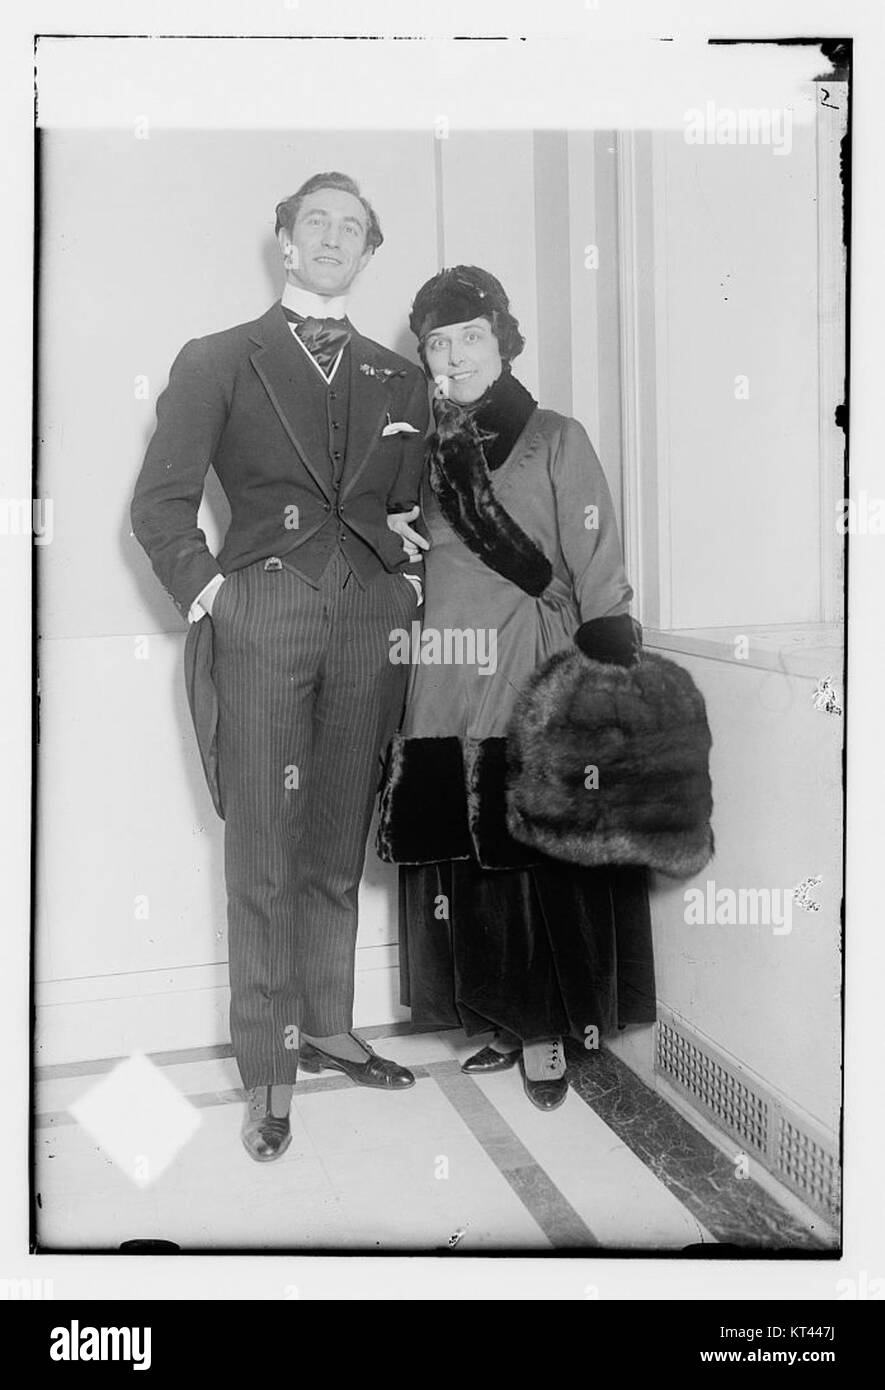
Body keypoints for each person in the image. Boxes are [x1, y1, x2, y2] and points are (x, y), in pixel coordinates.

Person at [131, 172, 430, 1161]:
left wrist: (404, 585)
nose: (336, 237)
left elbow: (414, 510)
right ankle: (267, 1061)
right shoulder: (220, 358)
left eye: (355, 227)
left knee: (338, 833)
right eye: (319, 222)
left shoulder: (400, 376)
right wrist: (220, 597)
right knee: (264, 847)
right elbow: (161, 505)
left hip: (367, 623)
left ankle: (333, 1025)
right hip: (264, 616)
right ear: (287, 244)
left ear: (367, 251)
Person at [377, 265, 657, 1111]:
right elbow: (406, 554)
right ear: (423, 356)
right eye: (438, 341)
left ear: (501, 340)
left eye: (469, 335)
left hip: (536, 662)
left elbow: (598, 563)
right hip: (447, 670)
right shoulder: (418, 454)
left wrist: (607, 671)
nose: (454, 354)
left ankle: (548, 1030)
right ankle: (499, 1016)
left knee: (538, 850)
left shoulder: (557, 437)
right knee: (473, 856)